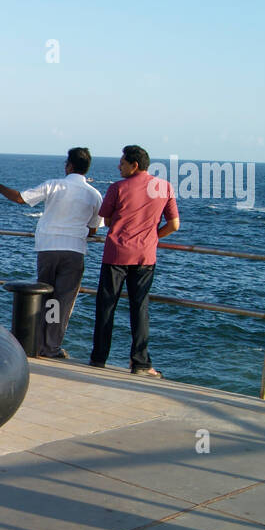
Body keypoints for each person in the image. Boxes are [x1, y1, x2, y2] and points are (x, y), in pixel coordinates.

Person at [0, 147, 102, 359]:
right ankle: (50, 347)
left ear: (69, 165)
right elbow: (94, 228)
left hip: (48, 248)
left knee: (45, 296)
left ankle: (33, 342)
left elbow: (20, 198)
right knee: (61, 303)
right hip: (74, 250)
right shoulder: (94, 194)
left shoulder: (54, 185)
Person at [89, 144, 180, 377]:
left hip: (116, 254)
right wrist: (153, 238)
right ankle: (139, 362)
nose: (119, 166)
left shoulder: (117, 188)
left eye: (122, 162)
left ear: (134, 165)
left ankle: (99, 358)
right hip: (145, 256)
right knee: (140, 308)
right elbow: (174, 225)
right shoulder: (164, 187)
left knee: (106, 306)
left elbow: (107, 221)